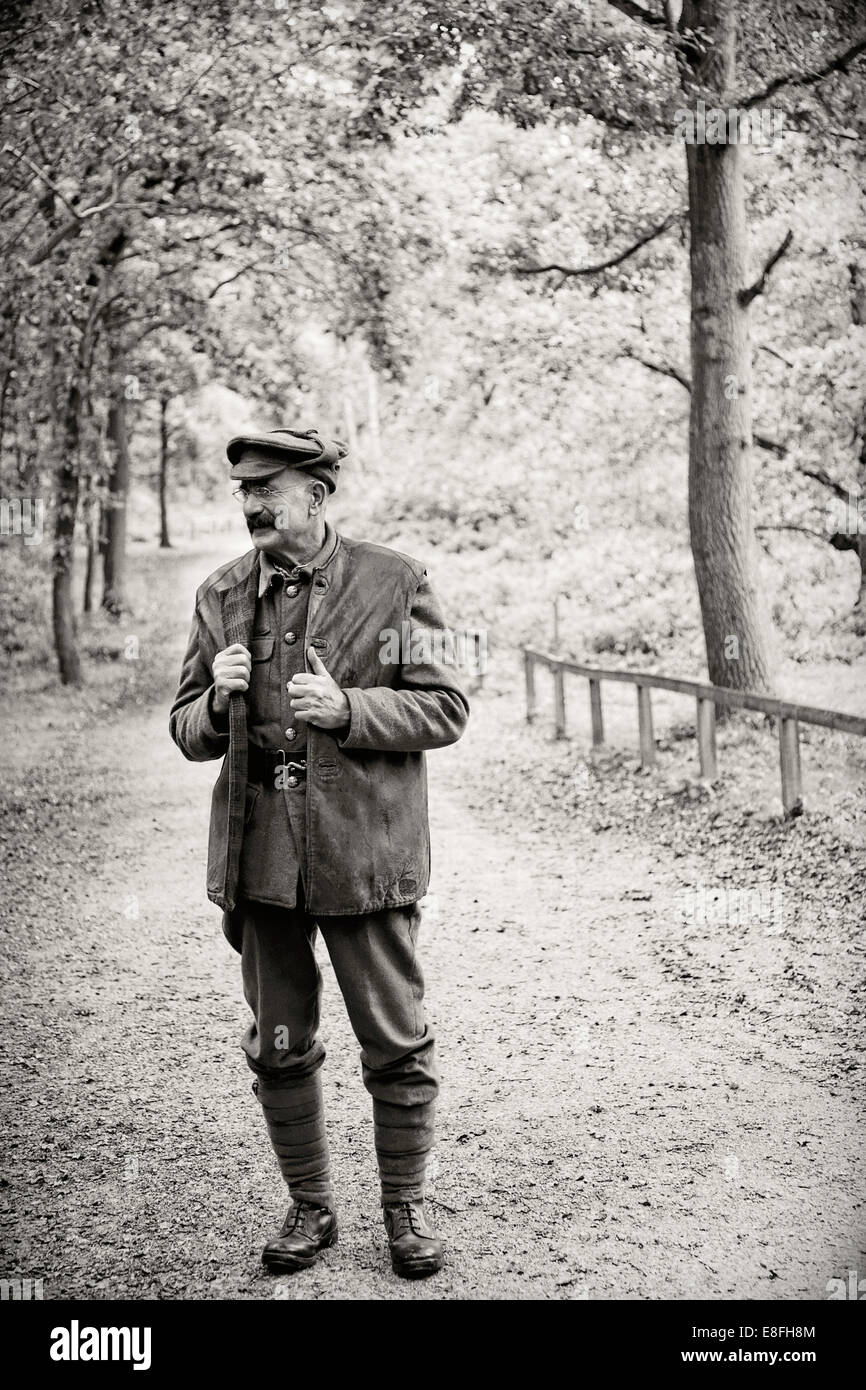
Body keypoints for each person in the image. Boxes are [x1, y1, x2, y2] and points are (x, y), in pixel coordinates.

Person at [169, 427, 469, 1279]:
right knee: (279, 1040)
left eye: (271, 486)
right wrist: (215, 706)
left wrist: (352, 711)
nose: (254, 502)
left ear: (317, 494)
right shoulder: (221, 596)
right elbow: (184, 728)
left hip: (362, 850)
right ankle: (309, 1205)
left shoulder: (396, 582)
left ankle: (405, 1208)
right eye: (244, 490)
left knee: (395, 1036)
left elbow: (446, 708)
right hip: (260, 852)